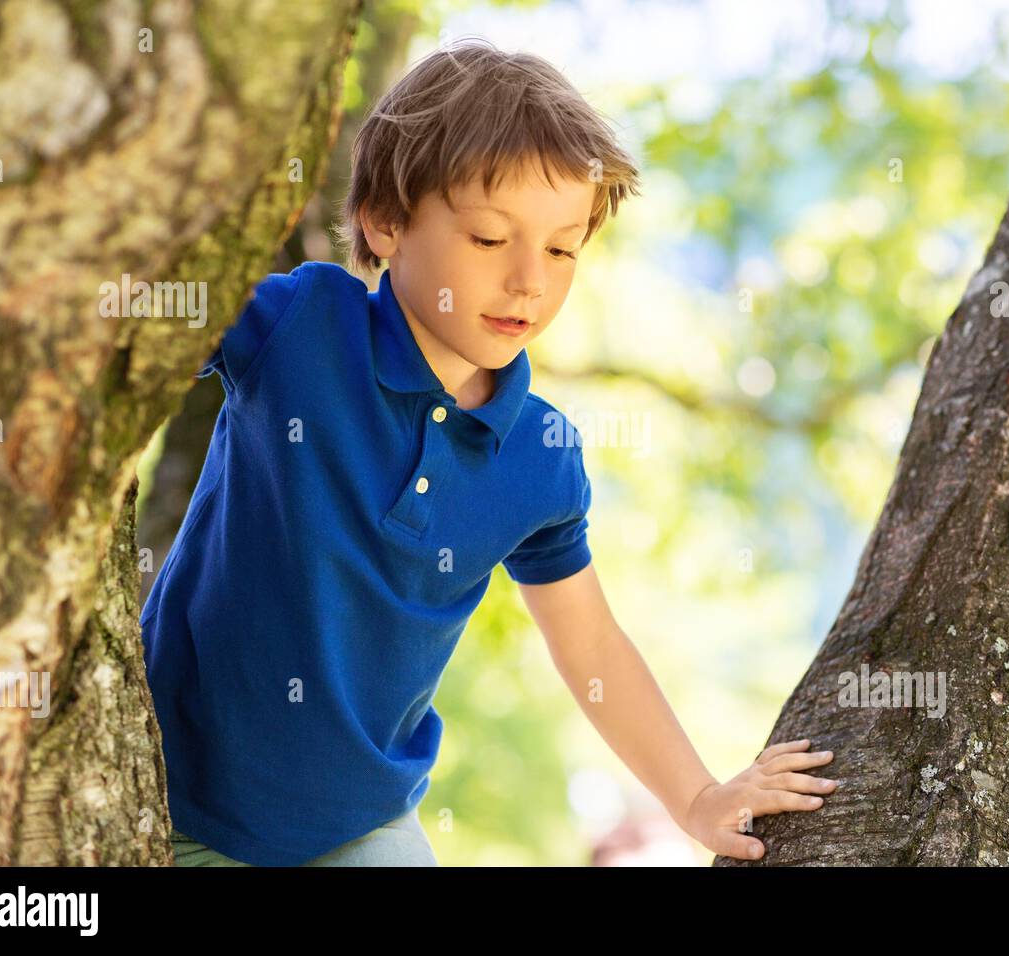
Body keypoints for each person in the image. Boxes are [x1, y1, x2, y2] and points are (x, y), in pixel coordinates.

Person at [141, 38, 837, 868]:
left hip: (361, 830)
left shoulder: (540, 458)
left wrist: (695, 798)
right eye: (487, 239)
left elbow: (593, 648)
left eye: (560, 247)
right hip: (170, 806)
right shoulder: (301, 327)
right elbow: (133, 320)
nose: (527, 281)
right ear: (386, 221)